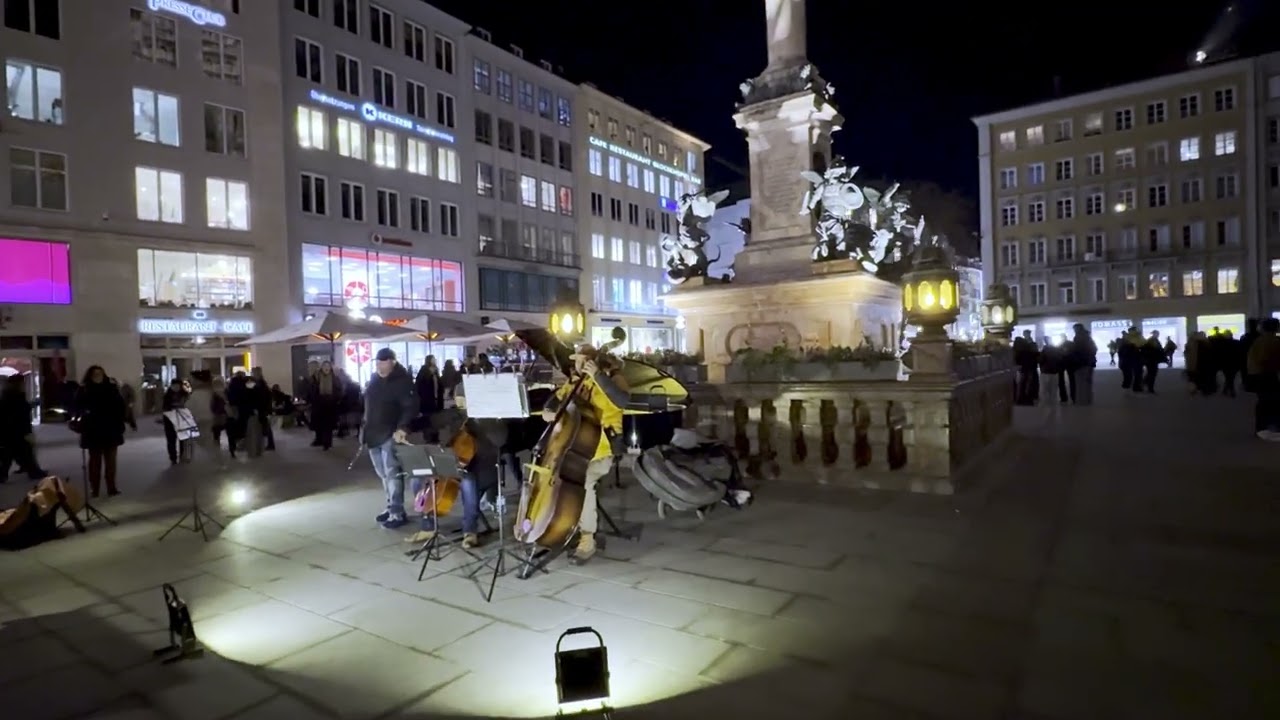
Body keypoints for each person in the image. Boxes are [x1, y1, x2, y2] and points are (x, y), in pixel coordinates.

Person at [540, 344, 631, 565]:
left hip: (601, 450)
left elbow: (623, 400)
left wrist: (598, 376)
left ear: (594, 361)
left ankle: (587, 538)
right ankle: (557, 528)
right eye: (577, 360)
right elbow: (557, 399)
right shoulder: (574, 382)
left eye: (582, 360)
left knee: (583, 482)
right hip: (573, 448)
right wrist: (550, 409)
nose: (577, 364)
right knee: (554, 480)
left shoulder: (612, 378)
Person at [363, 348, 418, 528]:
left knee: (393, 473)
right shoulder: (374, 380)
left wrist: (402, 427)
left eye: (383, 362)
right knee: (383, 474)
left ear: (392, 362)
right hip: (372, 433)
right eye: (377, 362)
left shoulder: (402, 381)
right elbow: (368, 405)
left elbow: (410, 406)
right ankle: (390, 506)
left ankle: (397, 512)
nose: (379, 365)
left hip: (390, 433)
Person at [72, 366, 127, 497]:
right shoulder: (84, 389)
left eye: (100, 374)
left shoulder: (111, 388)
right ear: (90, 375)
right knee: (95, 462)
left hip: (110, 429)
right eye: (95, 374)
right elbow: (77, 407)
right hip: (93, 430)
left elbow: (120, 407)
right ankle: (94, 488)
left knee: (111, 462)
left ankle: (111, 487)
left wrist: (121, 423)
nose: (98, 376)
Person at [0, 374, 47, 481]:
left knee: (10, 453)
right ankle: (33, 472)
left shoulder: (7, 395)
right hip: (16, 429)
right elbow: (20, 413)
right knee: (22, 451)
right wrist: (27, 431)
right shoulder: (16, 396)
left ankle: (5, 474)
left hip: (9, 429)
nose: (24, 384)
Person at [1246, 317, 1280, 441]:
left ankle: (1263, 427)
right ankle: (1266, 427)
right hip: (1267, 374)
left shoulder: (1260, 340)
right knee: (1270, 401)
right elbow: (1265, 359)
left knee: (1265, 401)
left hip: (1260, 374)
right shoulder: (1271, 341)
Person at [306, 361, 343, 450]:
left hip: (330, 405)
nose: (326, 368)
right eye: (325, 366)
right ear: (321, 367)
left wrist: (336, 399)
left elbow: (339, 390)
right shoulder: (316, 377)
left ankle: (327, 443)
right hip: (319, 404)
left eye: (328, 366)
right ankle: (319, 440)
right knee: (319, 424)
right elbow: (311, 390)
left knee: (328, 425)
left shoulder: (335, 378)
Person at [161, 378, 189, 465]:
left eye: (178, 385)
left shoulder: (184, 394)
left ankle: (182, 455)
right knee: (171, 439)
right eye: (175, 385)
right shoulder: (167, 395)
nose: (177, 387)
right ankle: (173, 457)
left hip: (181, 418)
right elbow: (165, 408)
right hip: (170, 419)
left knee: (183, 438)